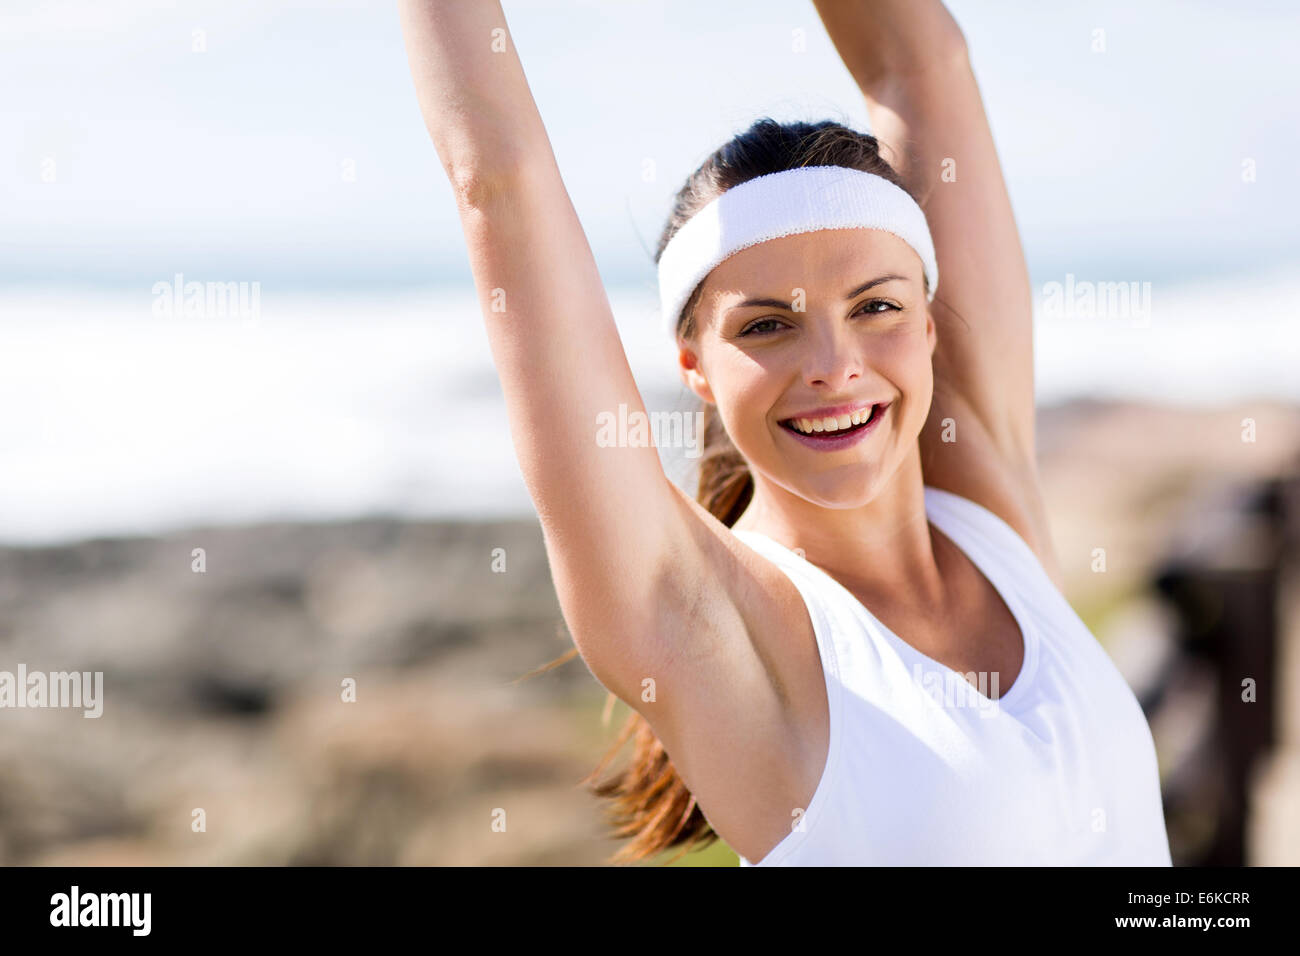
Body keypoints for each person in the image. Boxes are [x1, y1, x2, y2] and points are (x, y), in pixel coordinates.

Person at [398, 0, 1173, 866]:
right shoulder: (704, 620)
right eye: (767, 326)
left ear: (928, 327)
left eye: (876, 306)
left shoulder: (988, 516)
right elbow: (498, 183)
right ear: (694, 364)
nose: (835, 366)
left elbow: (920, 62)